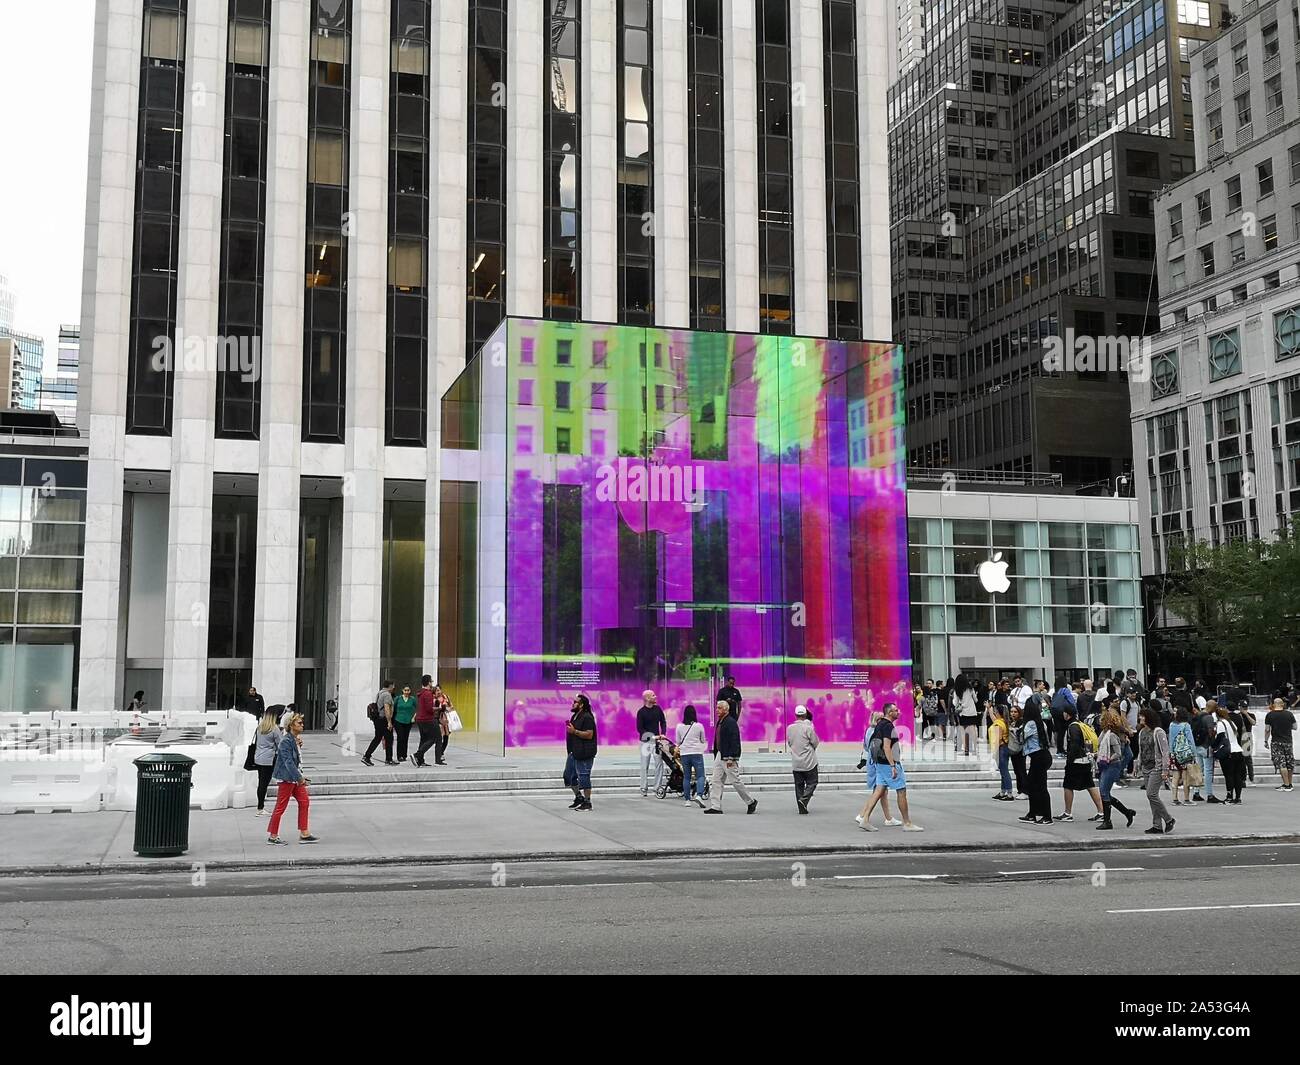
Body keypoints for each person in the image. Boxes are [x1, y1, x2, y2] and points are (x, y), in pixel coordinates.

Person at [856, 702, 923, 831]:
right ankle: (907, 823)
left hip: (879, 764)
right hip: (888, 764)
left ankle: (864, 819)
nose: (898, 712)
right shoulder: (888, 726)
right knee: (901, 791)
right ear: (889, 713)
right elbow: (886, 746)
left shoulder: (880, 725)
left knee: (878, 791)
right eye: (896, 710)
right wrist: (893, 765)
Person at [267, 713, 318, 845]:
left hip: (294, 778)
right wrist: (299, 778)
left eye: (302, 723)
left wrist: (299, 776)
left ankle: (304, 832)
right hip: (286, 778)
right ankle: (273, 836)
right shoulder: (285, 741)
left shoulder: (294, 739)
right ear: (291, 725)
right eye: (299, 723)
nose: (302, 725)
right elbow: (288, 762)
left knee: (304, 801)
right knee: (281, 806)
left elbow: (295, 760)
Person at [704, 699, 757, 815]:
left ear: (725, 709)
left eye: (719, 708)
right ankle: (716, 806)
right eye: (717, 708)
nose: (717, 710)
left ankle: (750, 801)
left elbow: (735, 741)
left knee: (735, 780)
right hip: (720, 754)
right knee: (716, 780)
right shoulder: (720, 721)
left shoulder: (730, 722)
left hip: (728, 756)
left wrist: (732, 757)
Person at [1056, 703, 1103, 822]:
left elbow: (1075, 744)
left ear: (1067, 714)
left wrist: (1070, 760)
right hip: (1085, 760)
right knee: (1090, 785)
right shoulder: (1081, 724)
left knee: (1067, 785)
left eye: (1064, 712)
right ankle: (1102, 811)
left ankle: (1068, 813)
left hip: (1076, 761)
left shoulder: (1072, 727)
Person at [1096, 707, 1137, 830]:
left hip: (1111, 765)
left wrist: (1109, 758)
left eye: (1102, 720)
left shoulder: (1112, 736)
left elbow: (1119, 753)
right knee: (1105, 793)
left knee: (1104, 792)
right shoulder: (1105, 733)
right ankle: (1126, 812)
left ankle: (1108, 821)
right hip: (1106, 765)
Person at [855, 710, 898, 828]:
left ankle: (888, 818)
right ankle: (863, 814)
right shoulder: (876, 731)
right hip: (877, 762)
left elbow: (865, 746)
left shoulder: (869, 730)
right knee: (879, 790)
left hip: (871, 761)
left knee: (882, 791)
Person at [1137, 705, 1174, 835]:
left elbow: (1165, 751)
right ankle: (1157, 825)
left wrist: (1165, 769)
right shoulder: (1142, 732)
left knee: (1151, 794)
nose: (1140, 718)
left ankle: (1168, 819)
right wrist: (1138, 765)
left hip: (1156, 768)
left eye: (1142, 716)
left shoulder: (1158, 732)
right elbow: (1141, 750)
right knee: (1152, 797)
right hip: (1146, 767)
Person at [1017, 698, 1053, 825]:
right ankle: (1032, 813)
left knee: (1040, 787)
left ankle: (1047, 816)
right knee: (1032, 785)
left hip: (1039, 757)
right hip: (1041, 756)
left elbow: (1021, 737)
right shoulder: (1040, 722)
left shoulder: (1031, 724)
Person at [564, 694, 598, 811]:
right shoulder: (575, 716)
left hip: (584, 752)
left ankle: (587, 802)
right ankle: (579, 797)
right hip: (574, 752)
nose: (573, 703)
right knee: (569, 776)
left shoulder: (587, 717)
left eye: (575, 702)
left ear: (582, 704)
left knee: (584, 776)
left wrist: (574, 731)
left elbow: (589, 734)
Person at [786, 704, 820, 814]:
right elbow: (815, 742)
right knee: (812, 782)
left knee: (799, 785)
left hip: (796, 762)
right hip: (809, 761)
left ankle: (801, 805)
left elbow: (790, 743)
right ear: (805, 714)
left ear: (795, 715)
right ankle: (804, 800)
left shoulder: (789, 728)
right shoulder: (808, 728)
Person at [1213, 701, 1246, 804]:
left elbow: (1220, 738)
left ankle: (1229, 796)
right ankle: (1238, 797)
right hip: (1238, 750)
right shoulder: (1231, 723)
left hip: (1229, 752)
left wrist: (1213, 746)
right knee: (1237, 775)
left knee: (1229, 775)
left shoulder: (1221, 724)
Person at [675, 704, 708, 808]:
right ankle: (699, 795)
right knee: (700, 776)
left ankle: (687, 800)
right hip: (697, 753)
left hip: (684, 753)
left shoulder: (679, 727)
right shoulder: (699, 726)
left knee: (687, 777)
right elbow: (703, 740)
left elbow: (678, 741)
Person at [636, 690, 668, 797]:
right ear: (647, 698)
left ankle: (656, 787)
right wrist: (651, 736)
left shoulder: (658, 709)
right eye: (653, 695)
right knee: (644, 765)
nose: (655, 696)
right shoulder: (641, 712)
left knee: (659, 763)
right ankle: (643, 788)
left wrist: (663, 733)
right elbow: (640, 728)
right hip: (645, 742)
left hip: (657, 742)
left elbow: (663, 722)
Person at [252, 708, 283, 815]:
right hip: (268, 759)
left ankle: (260, 807)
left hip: (258, 758)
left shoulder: (259, 727)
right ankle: (260, 809)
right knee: (264, 783)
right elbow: (281, 744)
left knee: (261, 782)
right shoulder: (274, 729)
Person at [1168, 707, 1198, 805]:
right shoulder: (1186, 725)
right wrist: (1194, 753)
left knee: (1175, 777)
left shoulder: (1172, 725)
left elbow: (1171, 740)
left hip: (1174, 754)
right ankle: (1186, 799)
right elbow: (1190, 740)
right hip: (1185, 755)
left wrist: (1171, 752)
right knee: (1185, 778)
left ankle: (1174, 799)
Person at [1191, 697, 1218, 803]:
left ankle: (1196, 792)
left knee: (1198, 769)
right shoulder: (1208, 718)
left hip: (1197, 745)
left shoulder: (1197, 715)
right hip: (1206, 745)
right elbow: (1211, 732)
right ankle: (1209, 794)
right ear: (1212, 708)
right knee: (1208, 771)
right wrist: (1213, 741)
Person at [362, 680, 396, 766]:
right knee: (389, 739)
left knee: (377, 738)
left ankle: (367, 756)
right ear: (390, 686)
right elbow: (387, 708)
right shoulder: (387, 695)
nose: (394, 688)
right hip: (384, 719)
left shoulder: (379, 693)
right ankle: (389, 759)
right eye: (393, 686)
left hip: (378, 719)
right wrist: (389, 722)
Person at [1264, 698, 1296, 791]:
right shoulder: (1289, 714)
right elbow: (1295, 727)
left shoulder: (1270, 715)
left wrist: (1265, 741)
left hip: (1276, 742)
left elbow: (1267, 730)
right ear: (1282, 704)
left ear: (1274, 704)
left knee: (1282, 763)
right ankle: (1289, 783)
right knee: (1289, 763)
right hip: (1288, 741)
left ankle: (1286, 785)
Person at [988, 704, 1014, 801]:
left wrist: (994, 752)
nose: (994, 712)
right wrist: (989, 708)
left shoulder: (998, 724)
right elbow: (993, 718)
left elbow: (998, 739)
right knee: (1003, 770)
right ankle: (1003, 791)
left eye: (995, 711)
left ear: (998, 712)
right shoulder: (1003, 722)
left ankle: (1009, 793)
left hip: (1001, 748)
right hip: (1005, 747)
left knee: (1004, 771)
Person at [413, 675, 439, 767]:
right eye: (431, 681)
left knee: (423, 739)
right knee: (433, 738)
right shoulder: (428, 693)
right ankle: (417, 754)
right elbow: (429, 709)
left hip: (420, 719)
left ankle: (420, 760)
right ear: (428, 682)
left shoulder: (421, 693)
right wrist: (436, 709)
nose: (432, 683)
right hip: (427, 719)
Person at [952, 673, 979, 756]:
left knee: (964, 732)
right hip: (972, 712)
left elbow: (955, 703)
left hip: (963, 713)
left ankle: (966, 750)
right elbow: (976, 700)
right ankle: (975, 750)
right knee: (973, 731)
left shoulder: (957, 690)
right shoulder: (970, 689)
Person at [1007, 704, 1029, 799]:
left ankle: (1025, 791)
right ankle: (1020, 790)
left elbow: (1021, 734)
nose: (1013, 714)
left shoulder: (1021, 722)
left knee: (1021, 770)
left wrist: (1013, 730)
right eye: (1011, 712)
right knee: (1017, 770)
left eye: (1015, 712)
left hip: (1021, 749)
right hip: (1014, 749)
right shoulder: (1012, 722)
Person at [1050, 678, 1076, 757]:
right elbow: (1071, 701)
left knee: (1060, 732)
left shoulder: (1055, 692)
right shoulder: (1065, 690)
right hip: (1065, 713)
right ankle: (1068, 749)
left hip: (1056, 713)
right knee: (1068, 731)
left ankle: (1059, 750)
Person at [392, 684, 417, 763]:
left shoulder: (412, 699)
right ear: (402, 691)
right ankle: (399, 756)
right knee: (400, 737)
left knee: (406, 738)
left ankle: (404, 755)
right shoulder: (398, 699)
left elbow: (418, 709)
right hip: (398, 720)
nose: (406, 692)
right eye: (405, 690)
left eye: (408, 690)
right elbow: (393, 708)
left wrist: (413, 717)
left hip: (408, 721)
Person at [1237, 701, 1256, 787]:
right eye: (1243, 707)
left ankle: (1251, 778)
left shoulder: (1251, 715)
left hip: (1247, 736)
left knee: (1248, 758)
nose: (1244, 709)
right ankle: (1242, 779)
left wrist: (1246, 714)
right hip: (1238, 736)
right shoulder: (1237, 716)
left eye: (1246, 707)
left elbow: (1253, 723)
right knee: (1240, 759)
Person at [432, 684, 452, 765]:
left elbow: (451, 706)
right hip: (436, 719)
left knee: (446, 737)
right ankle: (439, 755)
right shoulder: (433, 699)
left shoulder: (445, 697)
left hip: (445, 718)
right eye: (436, 690)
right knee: (439, 738)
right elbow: (432, 709)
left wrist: (447, 709)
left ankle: (441, 752)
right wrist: (440, 708)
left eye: (439, 690)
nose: (438, 692)